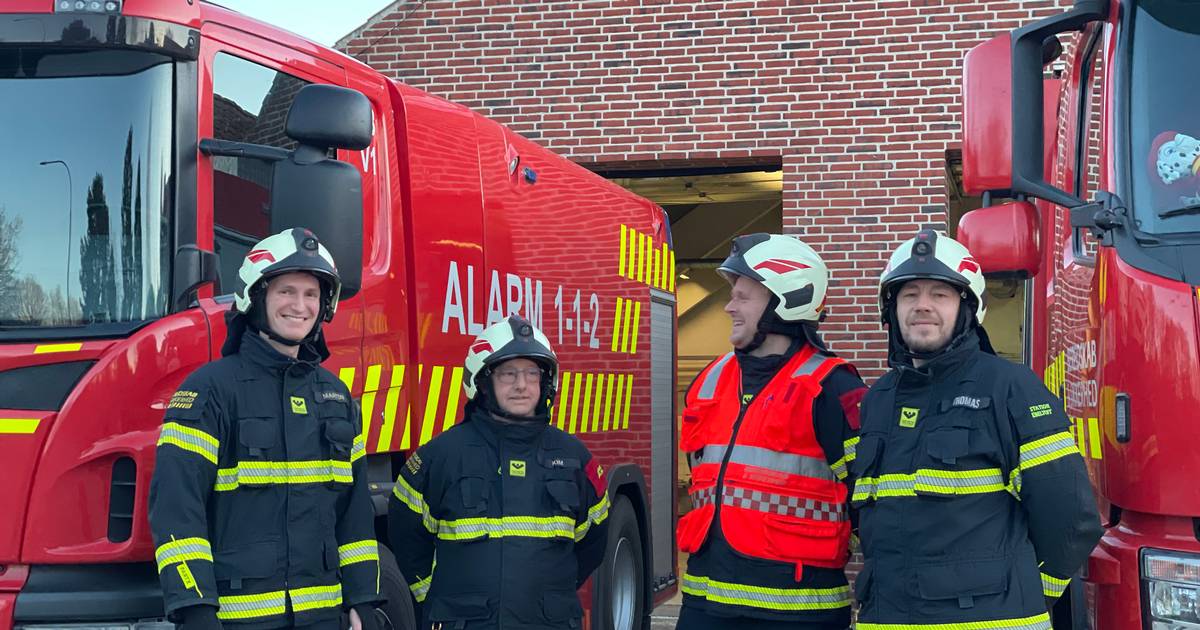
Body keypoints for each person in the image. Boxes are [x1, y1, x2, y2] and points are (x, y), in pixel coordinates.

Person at [850, 229, 1103, 630]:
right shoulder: (878, 399)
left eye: (940, 294)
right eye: (909, 294)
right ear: (891, 308)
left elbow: (1071, 517)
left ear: (967, 308)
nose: (922, 306)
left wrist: (1033, 592)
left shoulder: (1010, 388)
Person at [149, 228, 382, 630]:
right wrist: (195, 608)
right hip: (238, 620)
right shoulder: (209, 392)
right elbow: (177, 511)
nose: (300, 305)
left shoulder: (336, 397)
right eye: (286, 292)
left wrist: (364, 599)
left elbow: (355, 515)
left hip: (322, 619)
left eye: (311, 295)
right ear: (256, 299)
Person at [675, 233, 867, 630]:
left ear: (787, 299)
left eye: (743, 296)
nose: (729, 306)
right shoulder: (709, 380)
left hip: (797, 612)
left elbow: (871, 504)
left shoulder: (832, 390)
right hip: (705, 605)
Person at [389, 315, 610, 629]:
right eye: (508, 373)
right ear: (482, 380)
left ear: (546, 381)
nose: (521, 385)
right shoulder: (441, 456)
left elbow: (593, 540)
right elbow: (406, 535)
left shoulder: (575, 458)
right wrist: (438, 598)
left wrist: (552, 594)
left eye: (531, 373)